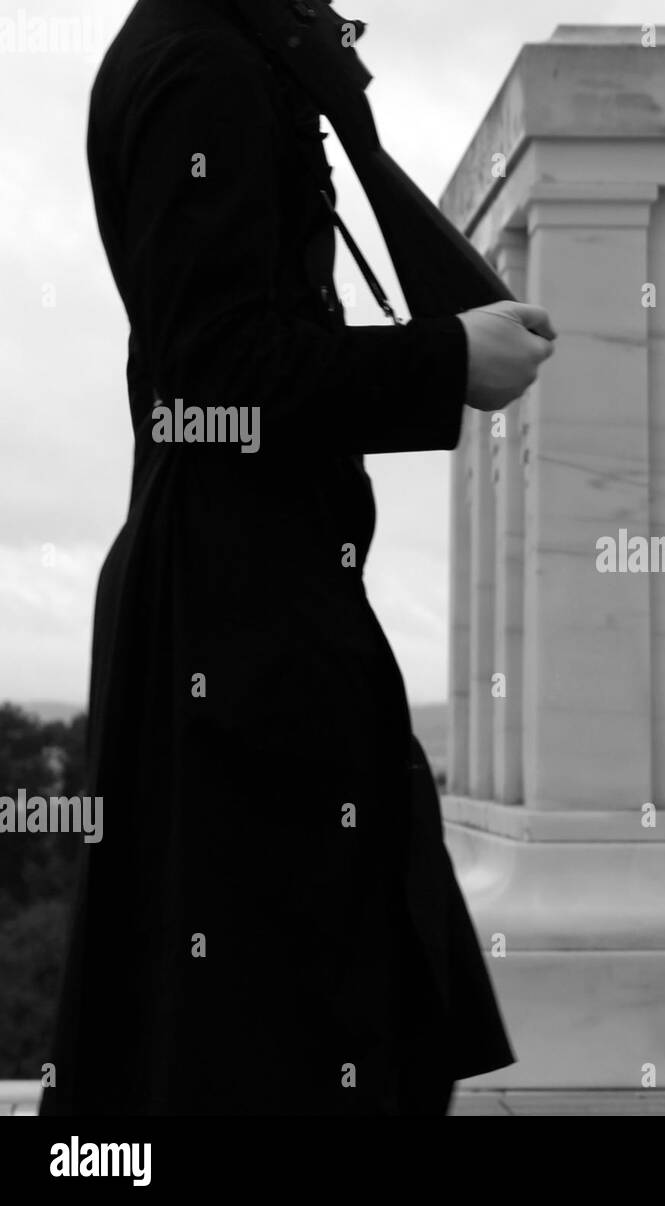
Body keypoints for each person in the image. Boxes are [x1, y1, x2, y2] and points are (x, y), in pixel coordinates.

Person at [40, 0, 554, 1115]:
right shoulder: (204, 65)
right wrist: (441, 360)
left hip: (245, 584)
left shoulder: (218, 48)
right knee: (280, 1027)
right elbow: (211, 377)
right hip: (239, 613)